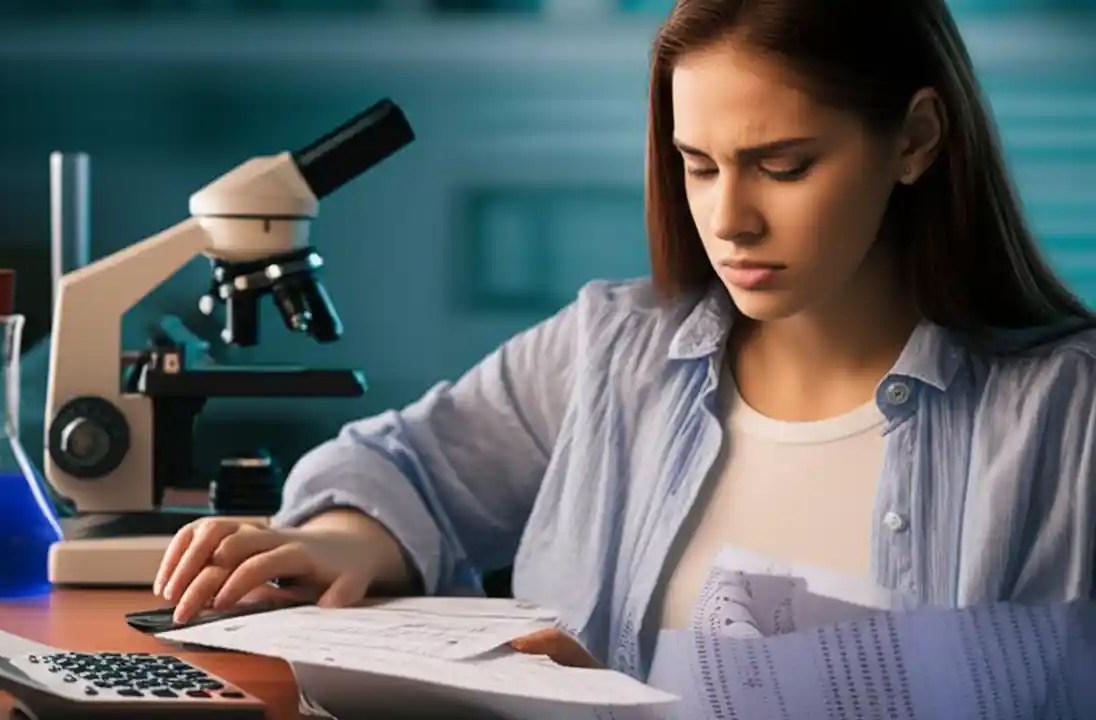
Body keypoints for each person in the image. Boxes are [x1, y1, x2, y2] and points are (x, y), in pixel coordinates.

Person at [154, 0, 1096, 684]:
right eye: (699, 166)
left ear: (917, 139)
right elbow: (407, 464)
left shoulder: (1066, 415)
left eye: (784, 166)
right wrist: (341, 543)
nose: (729, 221)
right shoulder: (614, 348)